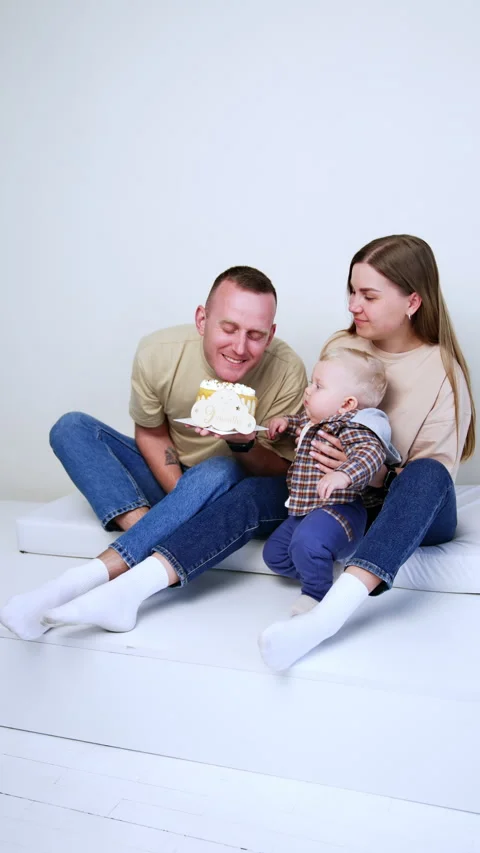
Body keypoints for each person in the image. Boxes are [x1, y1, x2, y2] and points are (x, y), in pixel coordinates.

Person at [63, 234, 470, 669]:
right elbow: (308, 427)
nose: (353, 305)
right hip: (336, 497)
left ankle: (331, 615)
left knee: (425, 472)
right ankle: (130, 591)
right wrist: (275, 436)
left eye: (368, 295)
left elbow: (433, 482)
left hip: (411, 506)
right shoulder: (341, 347)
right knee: (253, 490)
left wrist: (368, 474)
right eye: (351, 291)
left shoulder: (441, 370)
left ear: (412, 302)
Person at [0, 266, 306, 639]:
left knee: (219, 469)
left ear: (271, 334)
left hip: (231, 486)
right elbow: (150, 433)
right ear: (202, 319)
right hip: (171, 480)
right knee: (71, 428)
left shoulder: (287, 370)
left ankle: (73, 583)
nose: (240, 348)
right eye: (228, 328)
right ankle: (155, 533)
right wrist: (181, 495)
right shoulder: (158, 354)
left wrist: (242, 444)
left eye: (256, 335)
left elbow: (283, 473)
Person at [263, 347, 400, 617]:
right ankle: (324, 564)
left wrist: (344, 474)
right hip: (305, 509)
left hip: (341, 509)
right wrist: (284, 423)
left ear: (346, 404)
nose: (308, 390)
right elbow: (299, 423)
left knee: (307, 542)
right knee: (275, 556)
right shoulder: (315, 420)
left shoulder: (352, 426)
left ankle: (317, 595)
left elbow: (369, 455)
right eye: (311, 383)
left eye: (318, 386)